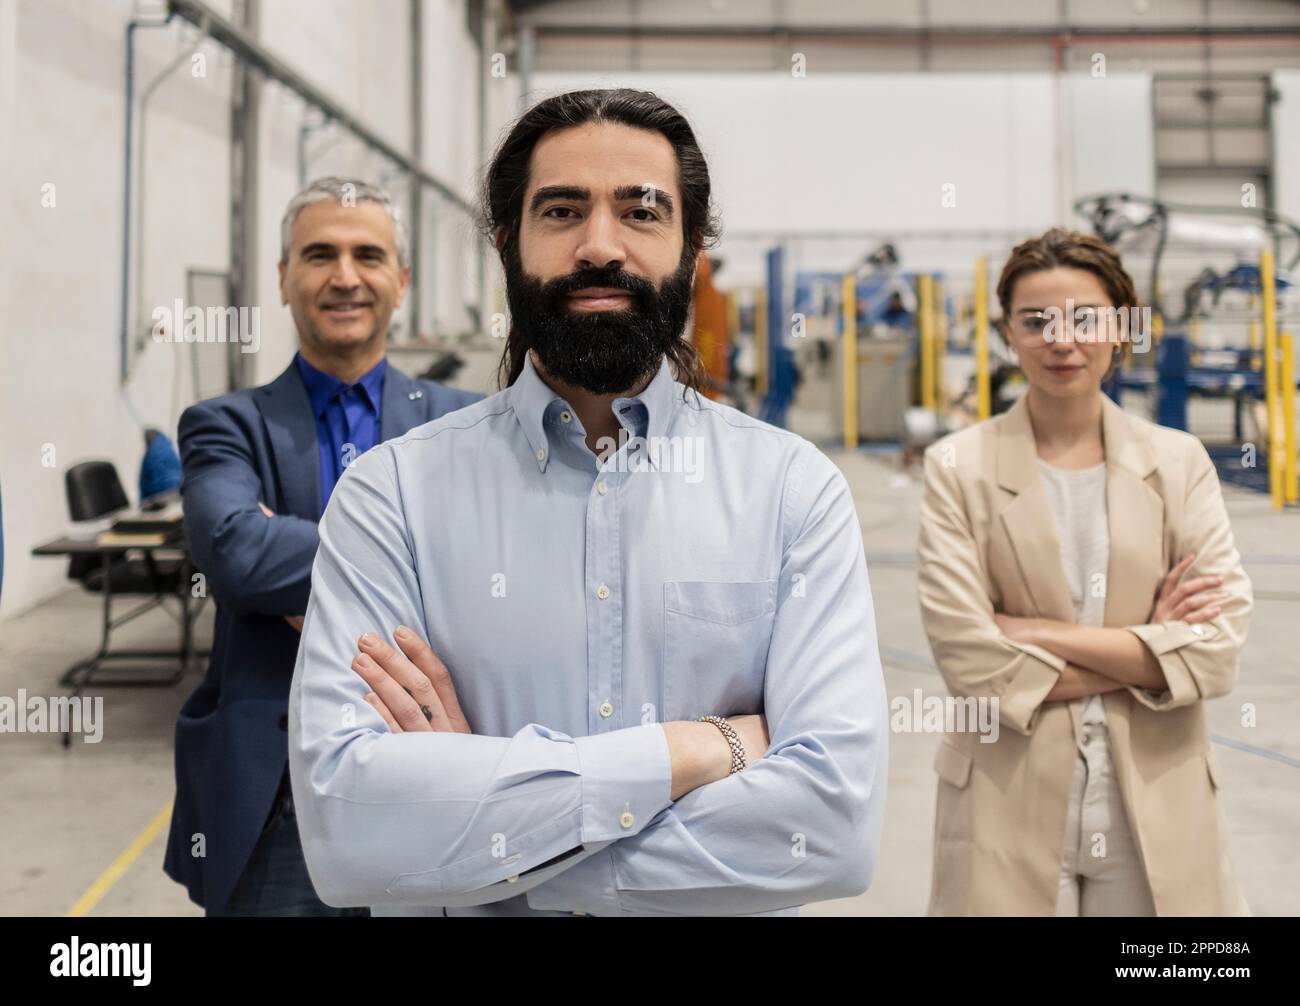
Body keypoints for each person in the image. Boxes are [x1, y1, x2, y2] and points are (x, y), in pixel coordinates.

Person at [287, 88, 889, 916]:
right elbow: (351, 835)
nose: (599, 246)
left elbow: (832, 831)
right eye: (562, 211)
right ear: (507, 242)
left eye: (641, 212)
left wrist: (491, 840)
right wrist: (696, 750)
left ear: (691, 247)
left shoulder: (793, 492)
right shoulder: (390, 496)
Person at [164, 177, 482, 916]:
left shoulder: (467, 424)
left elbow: (493, 569)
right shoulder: (224, 424)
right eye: (319, 255)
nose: (344, 276)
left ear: (401, 280)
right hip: (279, 801)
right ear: (283, 278)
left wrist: (311, 571)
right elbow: (235, 552)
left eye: (368, 254)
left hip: (435, 775)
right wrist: (412, 563)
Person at [918, 228, 1252, 916]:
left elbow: (1216, 652)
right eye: (1035, 321)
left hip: (1155, 791)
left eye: (1084, 318)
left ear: (1121, 327)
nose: (1060, 339)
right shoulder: (958, 467)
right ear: (1008, 333)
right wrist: (1151, 649)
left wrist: (1037, 631)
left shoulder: (1179, 462)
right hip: (1004, 790)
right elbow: (972, 662)